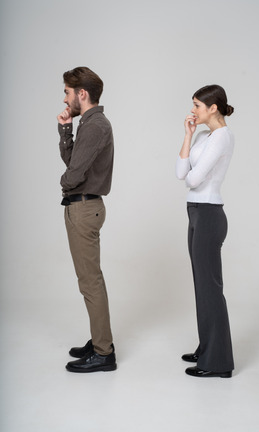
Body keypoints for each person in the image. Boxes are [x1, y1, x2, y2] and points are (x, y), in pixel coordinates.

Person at [57, 66, 116, 373]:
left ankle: (104, 353)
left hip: (84, 208)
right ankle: (99, 341)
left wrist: (64, 181)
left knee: (89, 282)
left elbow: (74, 173)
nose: (65, 98)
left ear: (82, 93)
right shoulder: (88, 124)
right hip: (83, 206)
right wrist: (66, 129)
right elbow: (75, 162)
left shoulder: (95, 126)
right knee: (91, 280)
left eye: (67, 92)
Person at [176, 84, 235, 378]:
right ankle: (207, 347)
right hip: (195, 212)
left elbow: (193, 179)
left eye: (198, 105)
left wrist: (189, 174)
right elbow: (180, 173)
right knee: (202, 286)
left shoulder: (223, 137)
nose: (193, 110)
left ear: (213, 108)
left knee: (211, 289)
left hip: (210, 215)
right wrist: (187, 135)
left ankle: (218, 363)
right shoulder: (203, 135)